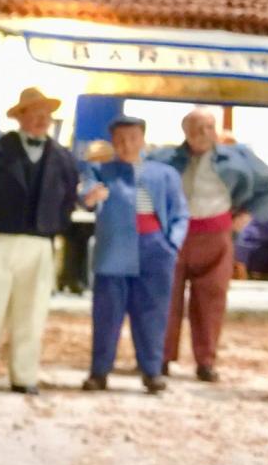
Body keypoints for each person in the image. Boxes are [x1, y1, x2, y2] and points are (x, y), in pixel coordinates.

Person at [151, 107, 268, 381]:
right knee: (164, 296)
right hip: (172, 234)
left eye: (208, 127)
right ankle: (158, 357)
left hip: (216, 234)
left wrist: (249, 214)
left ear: (216, 130)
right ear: (184, 131)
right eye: (196, 128)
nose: (202, 134)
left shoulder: (239, 158)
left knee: (211, 300)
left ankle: (206, 361)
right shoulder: (163, 158)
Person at [0, 86, 78, 395]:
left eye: (46, 114)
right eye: (35, 113)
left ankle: (24, 375)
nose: (42, 119)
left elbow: (69, 197)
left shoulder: (62, 157)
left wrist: (57, 224)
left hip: (39, 242)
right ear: (21, 117)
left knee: (32, 312)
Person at [80, 115, 188, 394]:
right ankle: (99, 371)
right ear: (112, 142)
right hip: (114, 247)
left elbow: (180, 213)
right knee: (107, 313)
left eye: (132, 138)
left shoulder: (165, 174)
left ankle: (152, 370)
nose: (126, 145)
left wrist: (171, 244)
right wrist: (90, 197)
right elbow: (86, 193)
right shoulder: (101, 170)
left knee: (153, 312)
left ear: (142, 139)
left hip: (155, 247)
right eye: (119, 139)